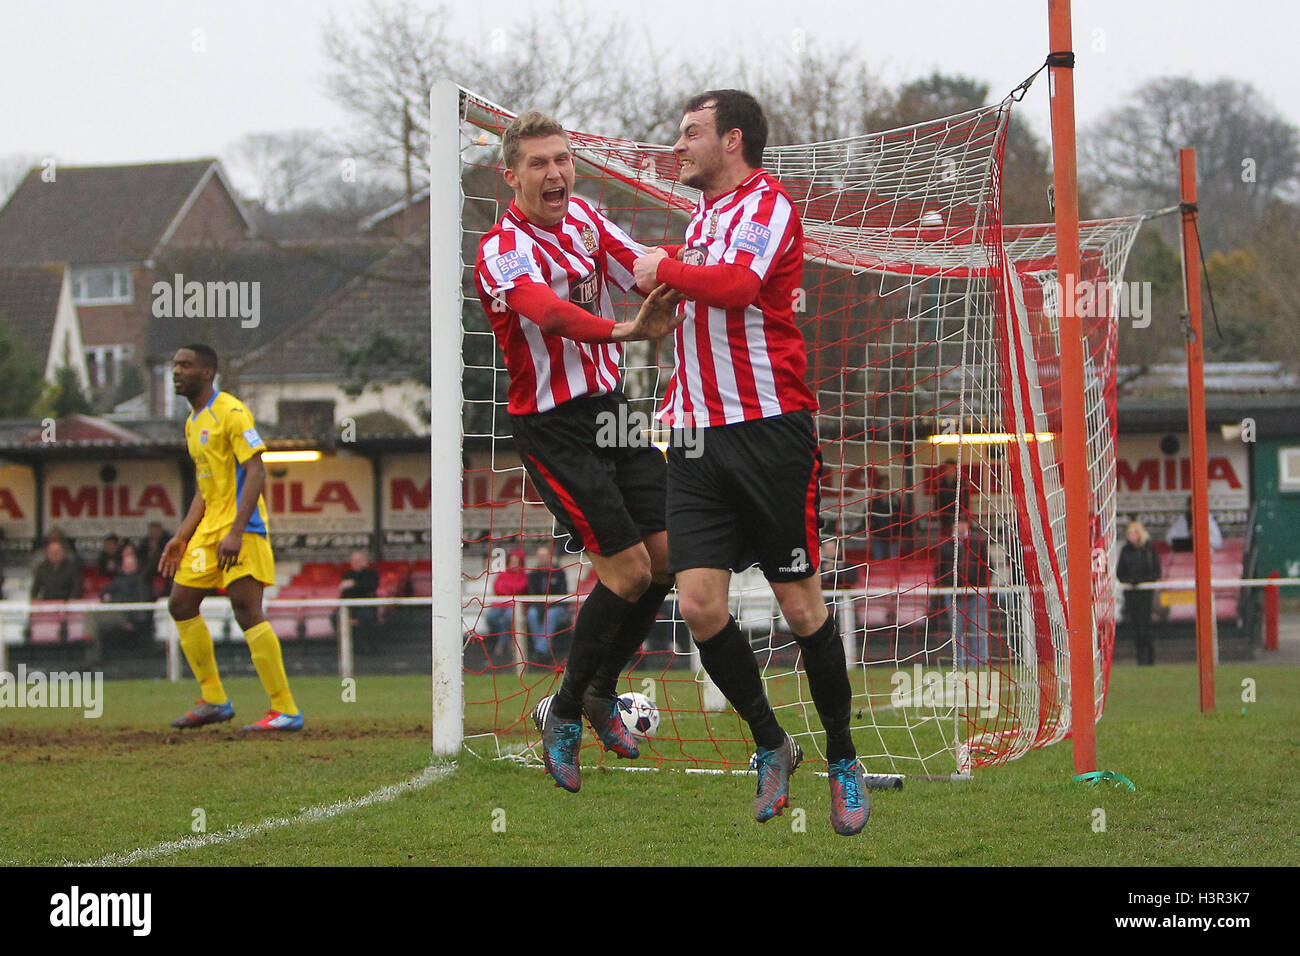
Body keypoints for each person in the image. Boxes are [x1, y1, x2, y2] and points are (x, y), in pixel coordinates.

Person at [631, 89, 868, 835]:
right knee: (699, 604)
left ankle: (844, 760)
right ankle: (773, 743)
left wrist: (663, 266)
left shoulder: (769, 206)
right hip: (698, 439)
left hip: (770, 433)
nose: (679, 145)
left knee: (801, 608)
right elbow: (695, 293)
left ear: (733, 140)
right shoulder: (700, 221)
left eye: (691, 132)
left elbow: (736, 288)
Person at [474, 109, 686, 791]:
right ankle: (565, 711)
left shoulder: (588, 219)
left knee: (667, 562)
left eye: (562, 158)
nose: (555, 171)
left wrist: (693, 273)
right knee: (625, 573)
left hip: (612, 413)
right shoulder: (502, 249)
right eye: (537, 162)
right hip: (554, 428)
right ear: (511, 176)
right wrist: (631, 330)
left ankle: (600, 692)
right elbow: (550, 314)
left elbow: (643, 264)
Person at [160, 344, 303, 732]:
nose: (176, 371)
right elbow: (204, 491)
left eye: (185, 365)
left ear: (207, 372)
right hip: (207, 533)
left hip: (242, 529)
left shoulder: (232, 412)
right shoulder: (192, 423)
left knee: (246, 609)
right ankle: (213, 699)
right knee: (181, 603)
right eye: (175, 365)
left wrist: (236, 531)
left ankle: (285, 708)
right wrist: (181, 537)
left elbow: (257, 471)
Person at [935, 516, 992, 668]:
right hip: (954, 594)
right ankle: (960, 663)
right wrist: (945, 586)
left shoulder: (978, 543)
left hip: (975, 593)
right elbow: (939, 568)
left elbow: (988, 566)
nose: (958, 526)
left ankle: (979, 663)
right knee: (957, 632)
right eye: (956, 523)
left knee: (978, 630)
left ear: (966, 524)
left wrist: (982, 586)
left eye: (960, 522)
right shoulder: (946, 545)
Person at [89, 542, 153, 657]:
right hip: (116, 612)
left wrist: (133, 622)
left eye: (131, 565)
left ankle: (90, 648)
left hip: (126, 615)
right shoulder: (119, 579)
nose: (128, 567)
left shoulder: (140, 582)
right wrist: (106, 597)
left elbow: (140, 605)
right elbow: (103, 593)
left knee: (93, 617)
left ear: (136, 565)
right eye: (126, 565)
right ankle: (90, 647)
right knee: (92, 614)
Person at [1116, 519, 1162, 665]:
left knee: (1145, 626)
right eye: (1129, 533)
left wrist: (1141, 580)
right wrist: (1131, 581)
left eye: (1134, 532)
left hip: (1145, 594)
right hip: (1131, 594)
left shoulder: (1149, 549)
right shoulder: (1125, 550)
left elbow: (1156, 572)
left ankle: (1150, 658)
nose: (1131, 535)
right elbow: (1120, 572)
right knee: (1136, 627)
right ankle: (1140, 659)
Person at [482, 549, 529, 659]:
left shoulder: (524, 575)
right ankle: (503, 641)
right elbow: (497, 587)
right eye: (512, 560)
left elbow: (521, 587)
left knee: (508, 617)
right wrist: (511, 589)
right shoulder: (503, 574)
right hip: (500, 604)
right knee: (491, 616)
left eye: (516, 561)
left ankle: (501, 645)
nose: (513, 563)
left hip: (516, 606)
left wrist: (507, 588)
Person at [338, 550, 380, 647]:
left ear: (365, 561)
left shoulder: (372, 574)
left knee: (366, 616)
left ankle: (365, 645)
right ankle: (345, 646)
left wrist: (354, 584)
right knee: (335, 616)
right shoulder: (347, 575)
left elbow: (370, 586)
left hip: (366, 608)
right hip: (350, 608)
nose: (355, 563)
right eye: (353, 561)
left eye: (358, 560)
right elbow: (344, 594)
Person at [31, 537, 82, 601]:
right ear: (47, 553)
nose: (54, 554)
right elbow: (35, 588)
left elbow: (76, 588)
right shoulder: (42, 568)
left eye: (57, 552)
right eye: (51, 552)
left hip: (66, 603)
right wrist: (34, 600)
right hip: (47, 603)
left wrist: (70, 602)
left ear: (63, 552)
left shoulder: (72, 568)